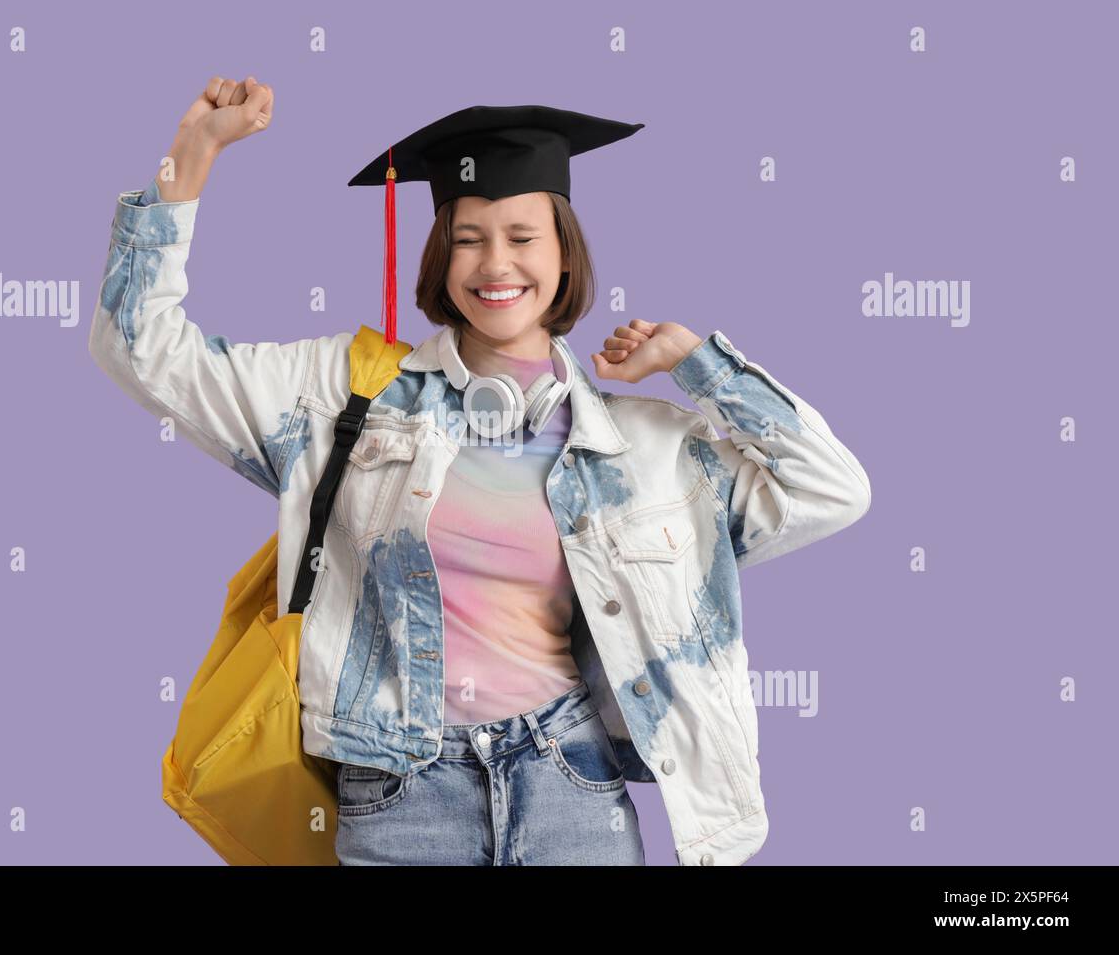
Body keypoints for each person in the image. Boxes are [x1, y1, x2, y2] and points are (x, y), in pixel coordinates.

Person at [89, 77, 872, 866]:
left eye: (523, 236)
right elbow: (141, 348)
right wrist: (191, 156)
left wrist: (702, 366)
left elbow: (831, 489)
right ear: (440, 254)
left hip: (573, 786)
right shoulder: (344, 397)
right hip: (400, 794)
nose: (496, 263)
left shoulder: (649, 446)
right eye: (469, 238)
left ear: (565, 254)